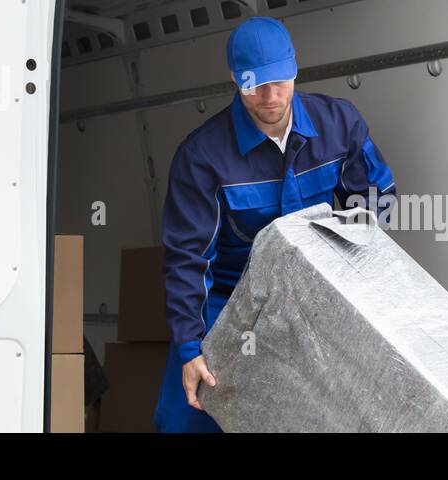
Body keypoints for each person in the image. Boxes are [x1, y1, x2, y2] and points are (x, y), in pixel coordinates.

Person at [155, 17, 396, 432]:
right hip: (230, 301)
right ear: (234, 78)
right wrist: (191, 347)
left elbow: (379, 202)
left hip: (316, 297)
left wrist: (353, 272)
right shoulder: (202, 156)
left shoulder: (339, 125)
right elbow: (188, 259)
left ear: (295, 68)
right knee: (186, 416)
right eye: (254, 84)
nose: (269, 96)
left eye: (279, 81)